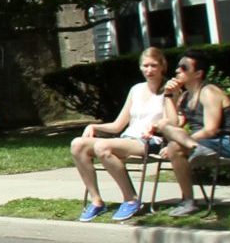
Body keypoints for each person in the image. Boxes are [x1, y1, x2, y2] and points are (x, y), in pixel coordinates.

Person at [70, 46, 172, 222]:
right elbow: (118, 125)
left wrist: (157, 127)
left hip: (151, 141)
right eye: (145, 65)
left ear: (162, 66)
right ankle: (96, 201)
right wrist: (94, 126)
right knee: (77, 144)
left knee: (102, 146)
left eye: (154, 65)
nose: (149, 70)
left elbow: (174, 120)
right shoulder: (136, 89)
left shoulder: (169, 90)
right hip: (127, 139)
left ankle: (131, 199)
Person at [156, 56, 230, 216]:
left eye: (184, 67)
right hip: (204, 144)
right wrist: (168, 95)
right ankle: (188, 202)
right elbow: (173, 123)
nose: (177, 70)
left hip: (227, 143)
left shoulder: (209, 91)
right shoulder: (185, 97)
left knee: (171, 140)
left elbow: (211, 130)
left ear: (198, 73)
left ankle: (188, 199)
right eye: (178, 66)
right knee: (166, 131)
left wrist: (189, 141)